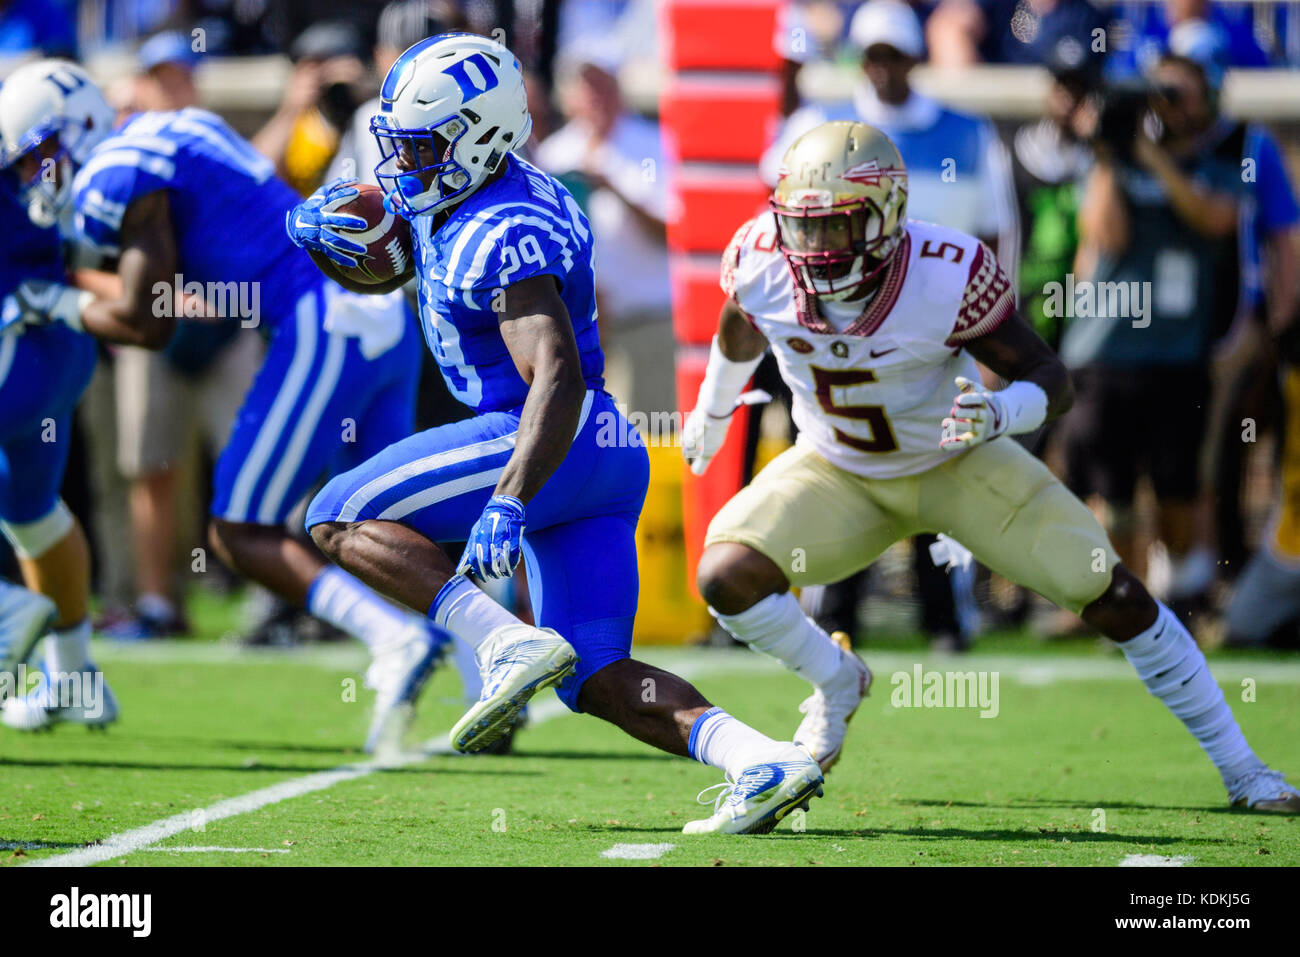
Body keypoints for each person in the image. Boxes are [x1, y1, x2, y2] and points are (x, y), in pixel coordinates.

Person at [289, 33, 824, 834]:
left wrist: (508, 499)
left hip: (547, 436)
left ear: (479, 137)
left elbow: (556, 373)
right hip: (599, 456)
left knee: (334, 512)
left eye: (421, 146)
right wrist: (345, 239)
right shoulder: (497, 188)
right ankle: (760, 757)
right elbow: (420, 249)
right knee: (599, 676)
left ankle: (499, 640)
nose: (403, 165)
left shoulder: (499, 230)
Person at [681, 119, 1298, 812]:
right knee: (725, 576)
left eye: (837, 227)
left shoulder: (943, 273)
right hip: (837, 470)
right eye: (803, 227)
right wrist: (712, 407)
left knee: (1114, 594)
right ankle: (835, 679)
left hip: (955, 463)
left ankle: (1245, 769)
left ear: (885, 218)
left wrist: (1001, 414)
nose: (814, 247)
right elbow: (739, 322)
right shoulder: (761, 257)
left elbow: (1050, 376)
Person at [0, 60, 442, 753]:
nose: (37, 177)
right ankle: (488, 662)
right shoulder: (173, 131)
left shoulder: (115, 169)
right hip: (374, 312)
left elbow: (148, 322)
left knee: (239, 528)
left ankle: (395, 639)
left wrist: (49, 298)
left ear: (78, 125)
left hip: (323, 319)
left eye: (40, 156)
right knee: (392, 518)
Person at [1063, 54, 1243, 598]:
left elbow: (1214, 219)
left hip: (1177, 355)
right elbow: (1105, 237)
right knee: (1110, 493)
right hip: (1107, 353)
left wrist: (1152, 156)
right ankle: (1117, 599)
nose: (1167, 108)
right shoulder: (1105, 168)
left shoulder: (1215, 165)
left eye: (1178, 94)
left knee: (1177, 487)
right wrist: (1109, 152)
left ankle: (1179, 591)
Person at [0, 158, 118, 730]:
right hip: (58, 343)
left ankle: (5, 612)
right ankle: (74, 677)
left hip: (15, 340)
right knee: (33, 515)